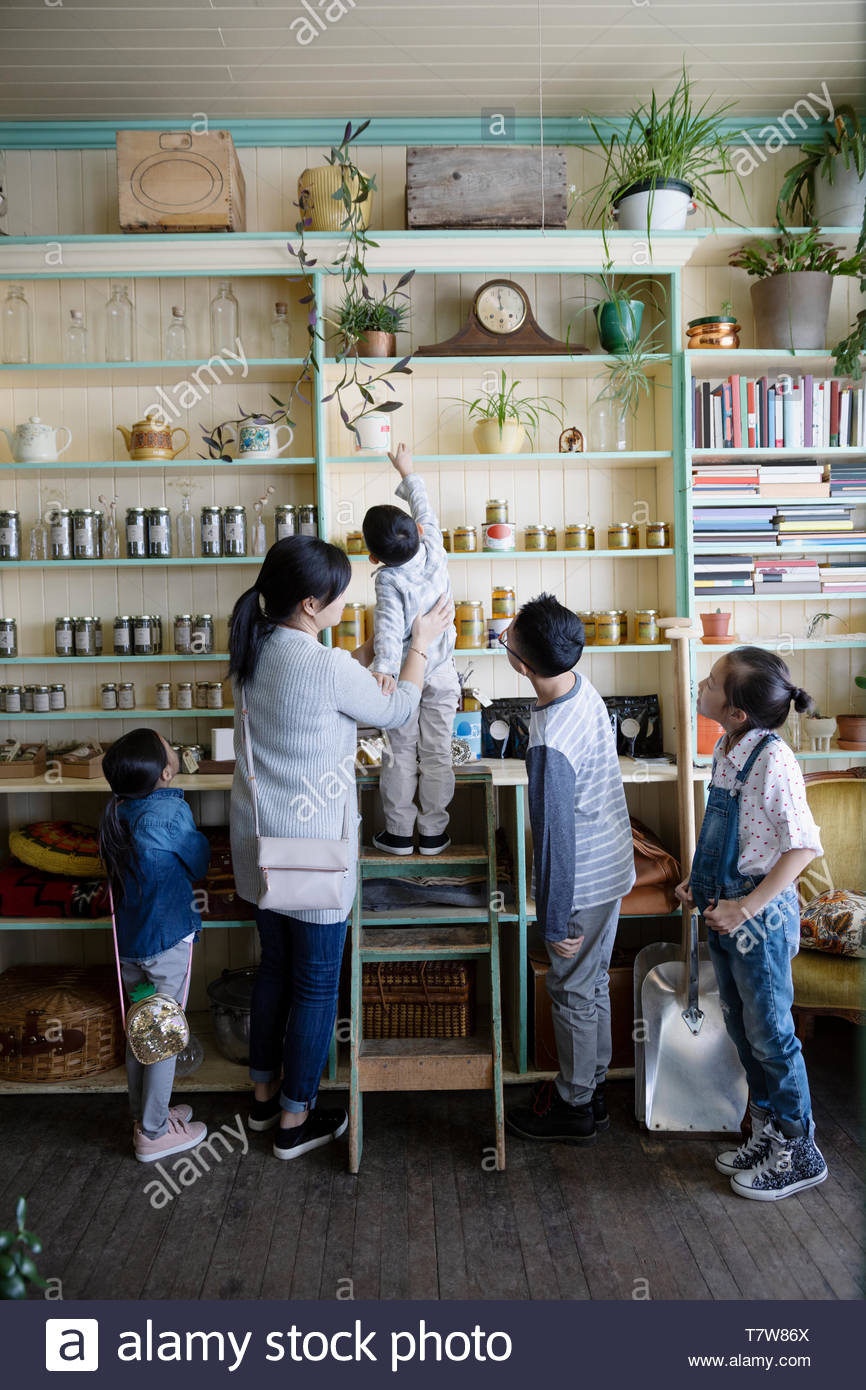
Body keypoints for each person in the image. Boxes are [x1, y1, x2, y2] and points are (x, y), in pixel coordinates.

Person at [228, 534, 452, 1160]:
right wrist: (419, 646)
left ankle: (266, 1099)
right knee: (318, 983)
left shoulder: (258, 647)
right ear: (309, 603)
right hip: (313, 855)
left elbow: (324, 687)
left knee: (274, 970)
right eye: (337, 595)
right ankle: (297, 1125)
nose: (346, 600)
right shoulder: (324, 667)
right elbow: (398, 708)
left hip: (264, 849)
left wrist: (362, 662)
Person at [676, 648, 827, 1200]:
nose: (702, 684)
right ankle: (766, 1133)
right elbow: (729, 836)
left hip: (758, 918)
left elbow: (801, 849)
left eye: (712, 682)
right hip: (725, 910)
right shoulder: (727, 745)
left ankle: (799, 1147)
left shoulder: (774, 761)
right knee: (743, 1028)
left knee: (773, 1038)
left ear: (737, 710)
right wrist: (700, 883)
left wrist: (745, 906)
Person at [500, 594, 636, 1144]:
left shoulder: (551, 739)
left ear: (525, 667)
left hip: (580, 883)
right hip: (611, 868)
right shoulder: (580, 685)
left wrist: (556, 923)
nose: (505, 637)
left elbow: (554, 840)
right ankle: (594, 1089)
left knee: (572, 991)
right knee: (591, 984)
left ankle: (575, 1107)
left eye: (508, 636)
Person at [99, 728, 211, 1163]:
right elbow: (198, 862)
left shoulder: (117, 813)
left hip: (129, 944)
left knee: (140, 1028)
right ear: (165, 772)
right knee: (163, 1033)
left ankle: (146, 1114)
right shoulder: (169, 812)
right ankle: (154, 1132)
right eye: (169, 746)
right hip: (166, 942)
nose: (174, 746)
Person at [356, 442, 460, 857]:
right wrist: (406, 470)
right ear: (416, 531)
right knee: (437, 752)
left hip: (406, 674)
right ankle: (433, 833)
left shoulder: (387, 579)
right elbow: (425, 506)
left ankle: (399, 833)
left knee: (399, 751)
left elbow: (387, 628)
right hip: (444, 671)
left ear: (373, 557)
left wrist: (382, 667)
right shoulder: (434, 546)